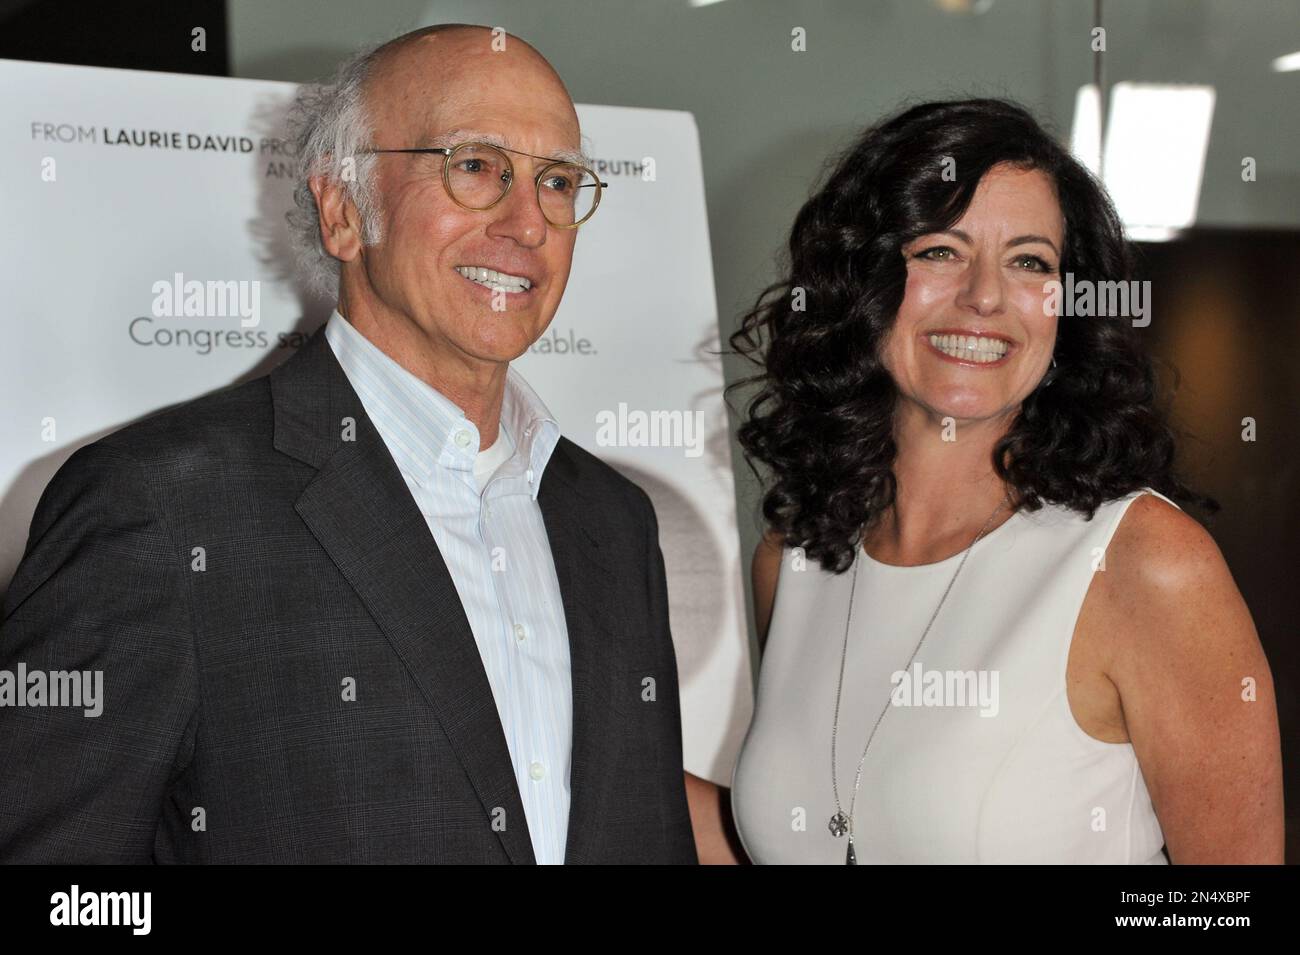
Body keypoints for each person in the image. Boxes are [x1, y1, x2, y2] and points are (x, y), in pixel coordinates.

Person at [0, 24, 696, 864]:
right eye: (475, 167)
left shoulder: (614, 520)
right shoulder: (158, 506)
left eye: (556, 180)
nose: (527, 222)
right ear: (341, 210)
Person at [688, 98, 1283, 864]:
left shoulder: (1145, 563)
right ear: (863, 279)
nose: (985, 296)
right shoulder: (796, 557)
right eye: (941, 250)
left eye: (1030, 261)